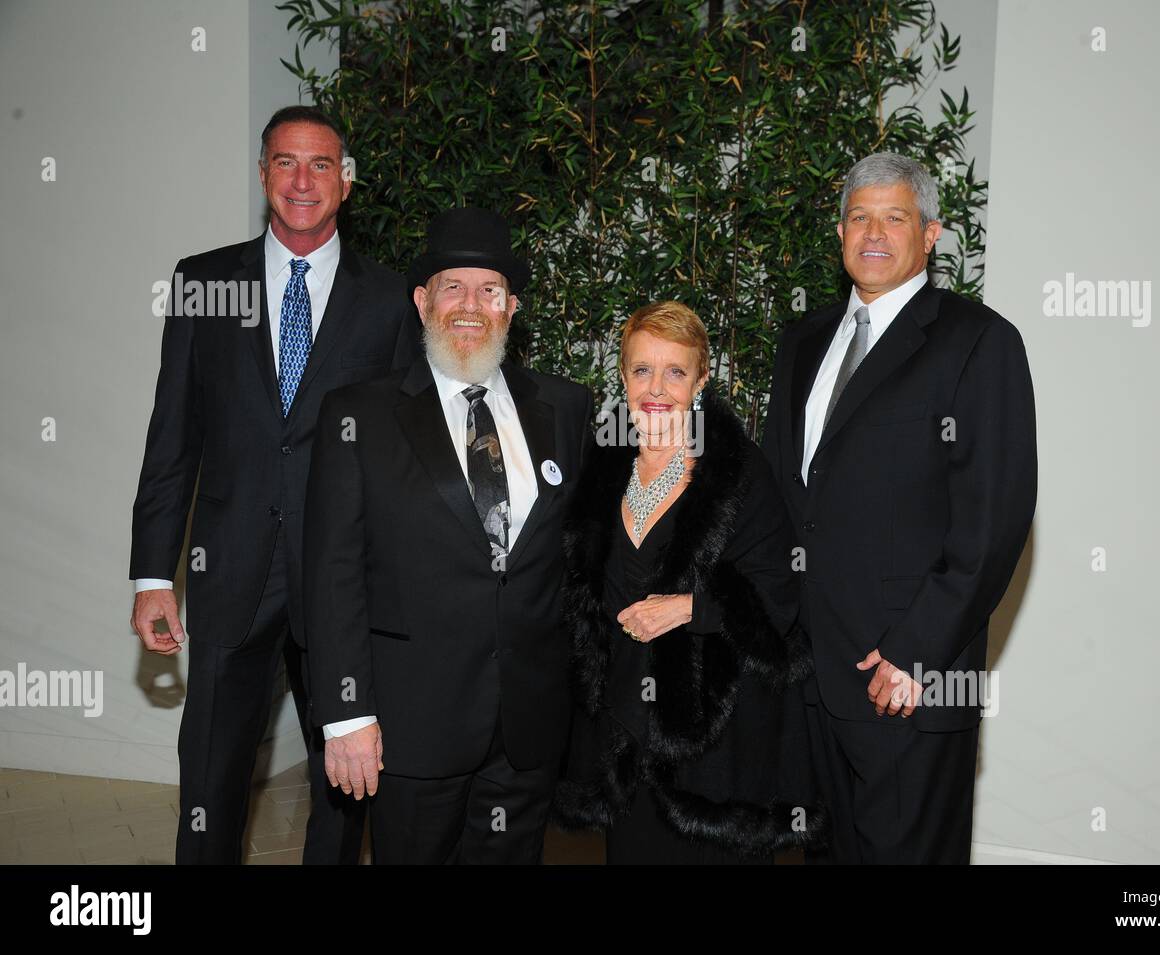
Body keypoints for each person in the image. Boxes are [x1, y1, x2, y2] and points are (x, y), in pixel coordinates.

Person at [129, 105, 416, 864]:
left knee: (344, 783)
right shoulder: (202, 281)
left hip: (343, 581)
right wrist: (154, 574)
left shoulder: (391, 301)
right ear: (262, 175)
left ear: (346, 182)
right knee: (211, 779)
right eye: (285, 162)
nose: (302, 180)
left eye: (322, 164)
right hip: (227, 574)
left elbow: (402, 457)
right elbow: (173, 437)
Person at [762, 152, 1037, 864]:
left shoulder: (979, 342)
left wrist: (917, 652)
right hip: (811, 676)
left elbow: (993, 521)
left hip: (907, 680)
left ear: (932, 234)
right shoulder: (802, 343)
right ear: (840, 231)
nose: (874, 232)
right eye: (859, 216)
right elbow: (784, 497)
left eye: (895, 217)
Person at [303, 206, 593, 864]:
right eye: (451, 287)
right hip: (411, 729)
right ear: (421, 299)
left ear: (512, 305)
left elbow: (581, 561)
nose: (470, 305)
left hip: (526, 731)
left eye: (488, 290)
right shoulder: (358, 415)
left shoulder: (566, 407)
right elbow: (331, 574)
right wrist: (346, 714)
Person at [553, 301, 824, 864]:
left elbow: (781, 597)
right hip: (622, 732)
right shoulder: (600, 464)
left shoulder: (739, 474)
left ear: (702, 379)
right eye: (641, 370)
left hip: (713, 747)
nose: (657, 388)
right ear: (622, 376)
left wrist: (692, 609)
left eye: (676, 371)